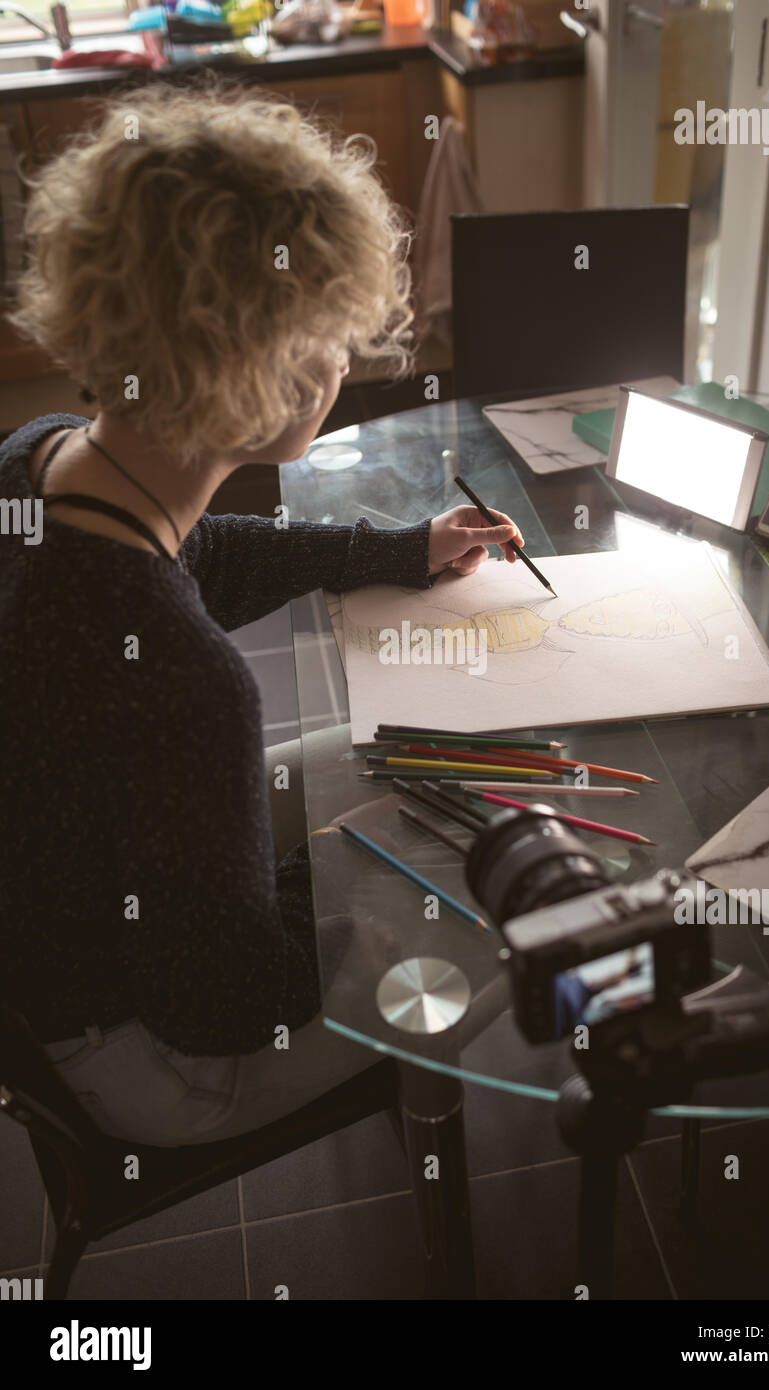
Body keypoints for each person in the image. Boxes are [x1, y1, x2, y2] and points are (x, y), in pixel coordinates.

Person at [0, 80, 525, 1146]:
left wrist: (397, 549)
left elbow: (193, 550)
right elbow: (230, 1005)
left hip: (61, 933)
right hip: (151, 1059)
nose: (343, 361)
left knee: (428, 763)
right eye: (332, 336)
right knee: (499, 904)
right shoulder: (179, 679)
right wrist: (341, 872)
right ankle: (436, 1146)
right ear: (265, 377)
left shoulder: (40, 457)